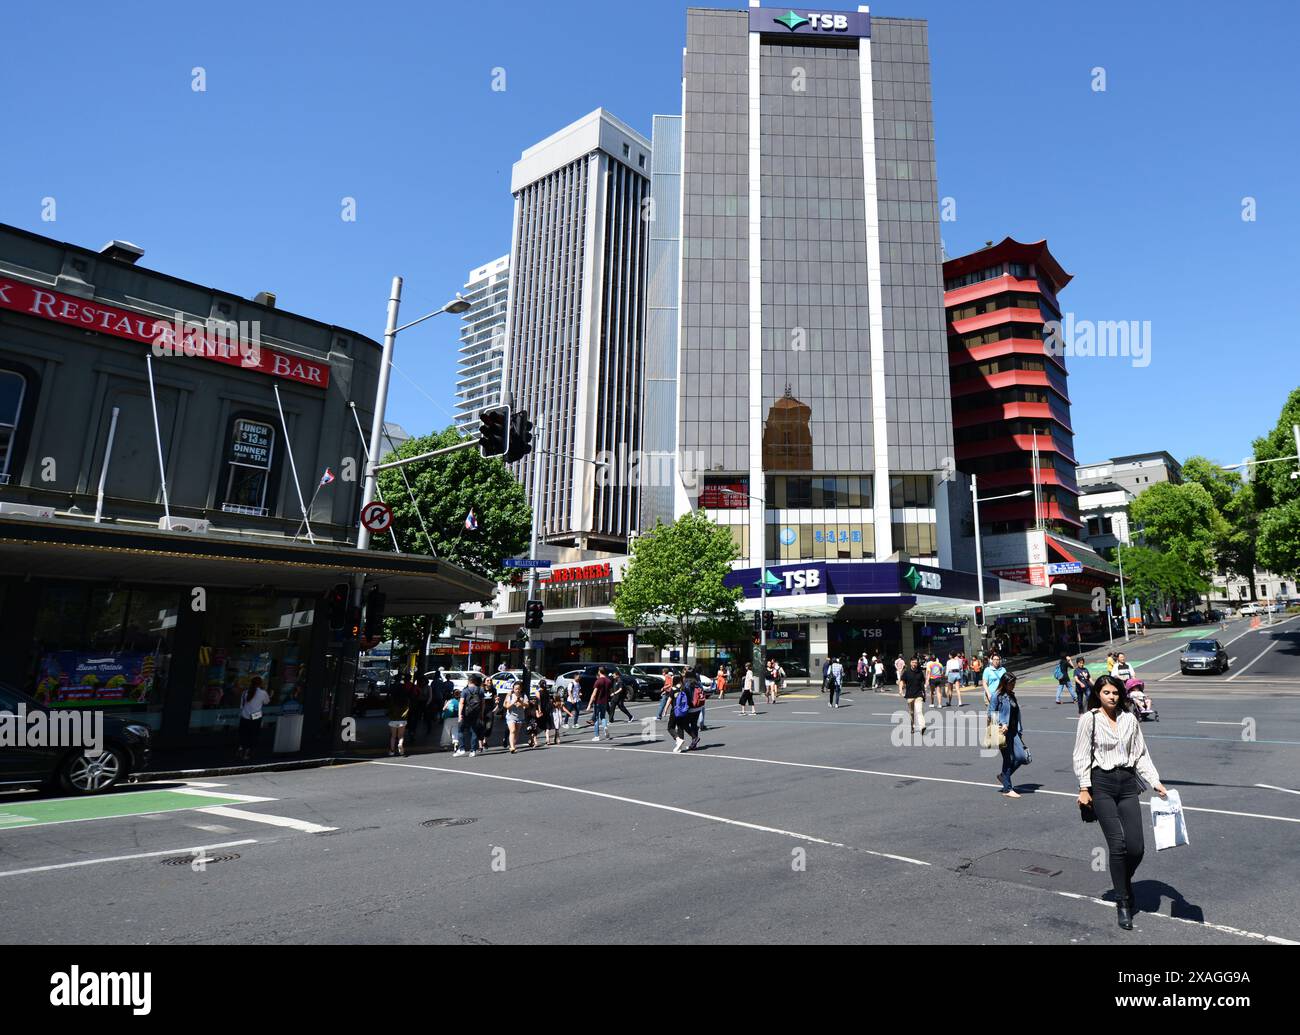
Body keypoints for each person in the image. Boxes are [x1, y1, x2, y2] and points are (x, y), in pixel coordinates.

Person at [1074, 674, 1167, 930]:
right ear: (1098, 695)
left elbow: (1141, 754)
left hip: (1127, 784)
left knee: (1136, 848)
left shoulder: (1130, 720)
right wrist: (1084, 788)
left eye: (1115, 693)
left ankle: (1121, 883)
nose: (1112, 697)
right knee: (1118, 845)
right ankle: (1123, 901)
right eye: (1106, 693)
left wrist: (1155, 781)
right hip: (1101, 784)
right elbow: (1081, 755)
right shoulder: (1089, 720)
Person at [987, 670, 1028, 797]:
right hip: (1002, 732)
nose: (1013, 685)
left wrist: (1020, 730)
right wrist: (1001, 723)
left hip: (1014, 731)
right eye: (1011, 683)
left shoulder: (1011, 695)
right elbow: (990, 714)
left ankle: (1004, 776)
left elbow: (1016, 714)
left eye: (1014, 683)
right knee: (1008, 759)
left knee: (1022, 757)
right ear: (1005, 683)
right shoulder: (997, 696)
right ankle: (1007, 789)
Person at [237, 677, 270, 761]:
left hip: (245, 716)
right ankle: (248, 751)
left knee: (244, 734)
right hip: (255, 716)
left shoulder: (245, 692)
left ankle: (241, 748)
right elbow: (267, 702)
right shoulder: (263, 693)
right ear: (260, 684)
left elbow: (241, 706)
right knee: (253, 735)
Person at [455, 674, 483, 757]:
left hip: (466, 713)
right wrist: (481, 713)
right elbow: (483, 703)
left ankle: (462, 749)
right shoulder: (480, 690)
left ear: (469, 681)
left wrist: (460, 714)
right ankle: (473, 750)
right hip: (476, 713)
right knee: (474, 731)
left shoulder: (465, 690)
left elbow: (462, 703)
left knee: (460, 730)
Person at [900, 656, 926, 735]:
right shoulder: (906, 672)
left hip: (918, 694)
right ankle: (912, 727)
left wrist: (924, 693)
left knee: (919, 711)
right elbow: (902, 681)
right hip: (909, 695)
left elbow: (922, 683)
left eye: (916, 663)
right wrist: (900, 689)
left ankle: (922, 726)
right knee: (911, 713)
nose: (915, 664)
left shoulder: (920, 672)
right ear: (910, 663)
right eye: (913, 662)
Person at [386, 678, 410, 757]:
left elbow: (388, 709)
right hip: (402, 720)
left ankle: (392, 751)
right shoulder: (405, 699)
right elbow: (408, 709)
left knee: (393, 736)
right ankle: (400, 745)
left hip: (393, 719)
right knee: (401, 736)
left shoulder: (392, 699)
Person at [590, 667, 612, 742]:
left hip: (597, 702)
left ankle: (597, 736)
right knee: (603, 716)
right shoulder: (608, 681)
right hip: (605, 702)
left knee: (596, 718)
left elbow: (594, 693)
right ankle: (605, 726)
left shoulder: (598, 681)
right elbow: (609, 691)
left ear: (599, 672)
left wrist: (589, 704)